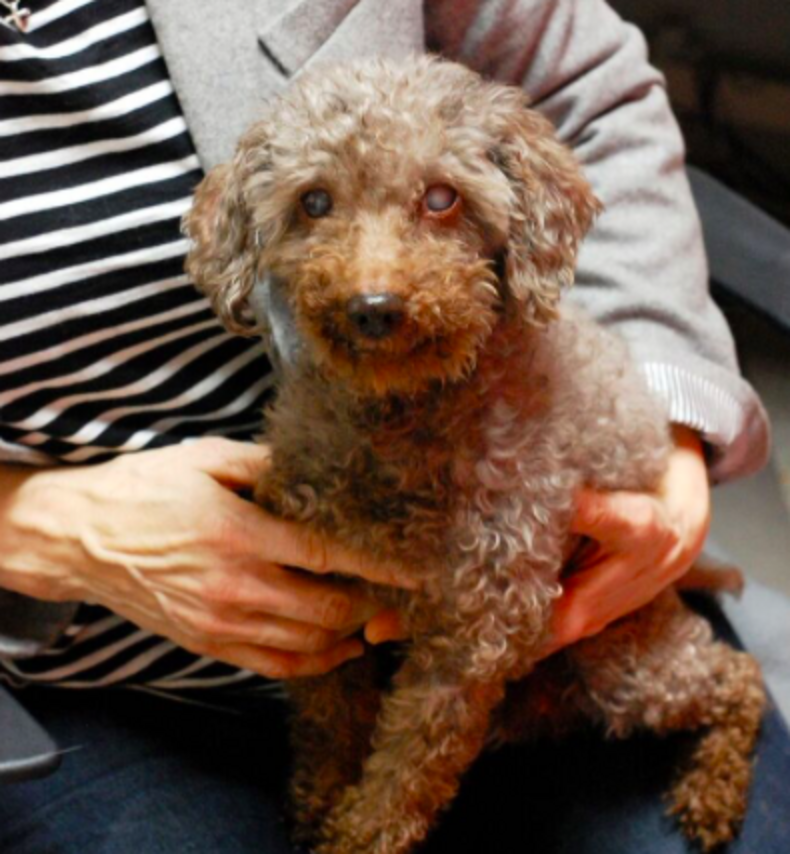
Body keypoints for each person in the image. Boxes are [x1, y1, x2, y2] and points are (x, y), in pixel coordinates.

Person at [0, 1, 786, 852]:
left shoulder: (520, 419)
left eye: (439, 202)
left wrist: (672, 444)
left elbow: (592, 88)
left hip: (569, 626)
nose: (373, 281)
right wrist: (36, 526)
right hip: (108, 681)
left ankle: (728, 702)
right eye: (316, 205)